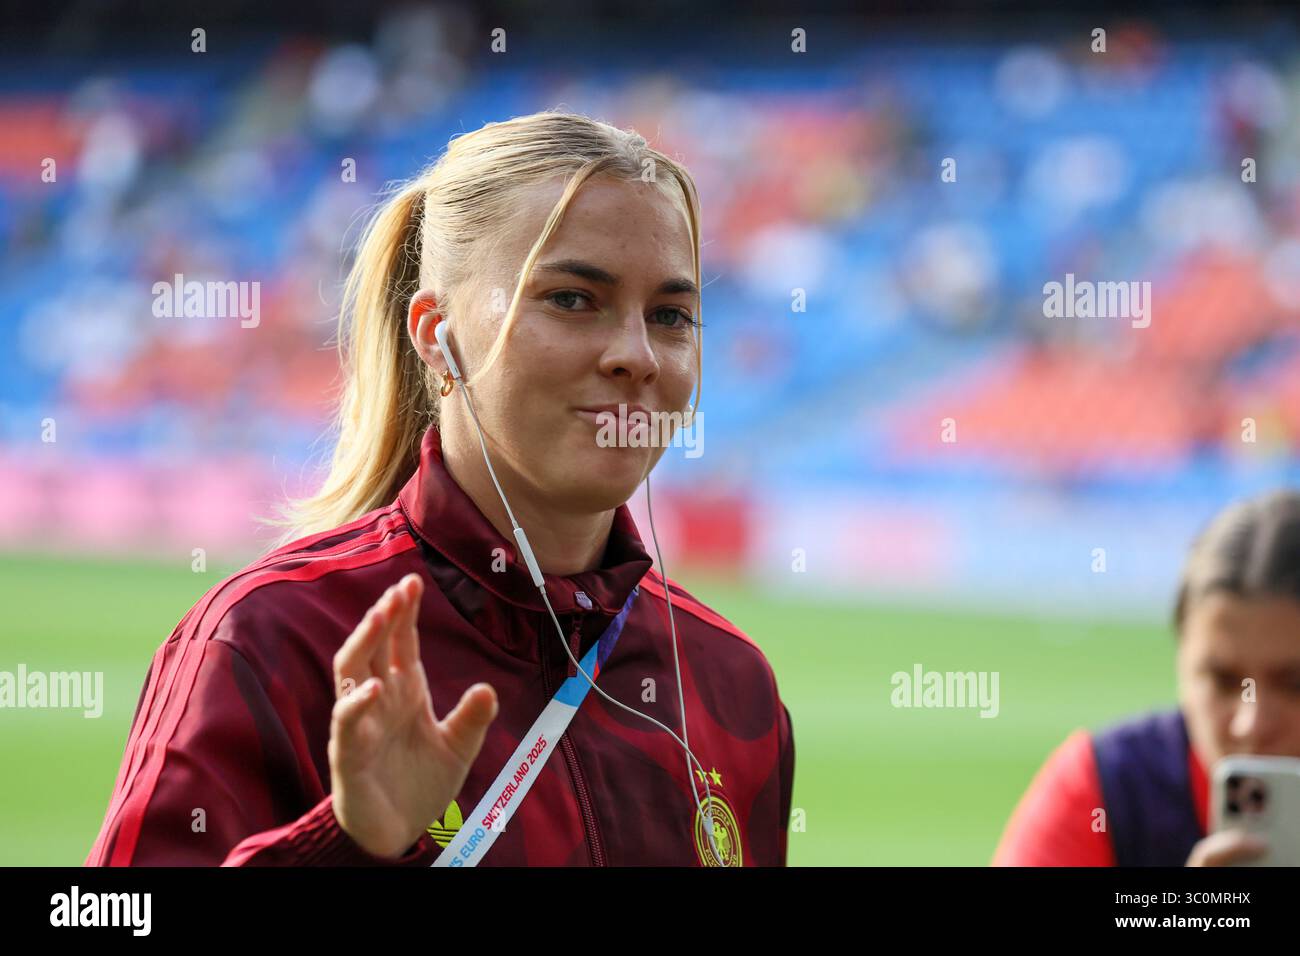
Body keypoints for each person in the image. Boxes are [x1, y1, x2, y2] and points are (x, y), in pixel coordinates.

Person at [86, 110, 795, 867]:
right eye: (572, 299)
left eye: (671, 315)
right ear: (436, 332)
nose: (636, 354)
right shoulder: (271, 637)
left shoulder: (731, 681)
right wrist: (347, 845)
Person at [993, 489, 1300, 866]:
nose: (1251, 723)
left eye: (1293, 685)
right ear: (1180, 665)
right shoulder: (1104, 786)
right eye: (1222, 680)